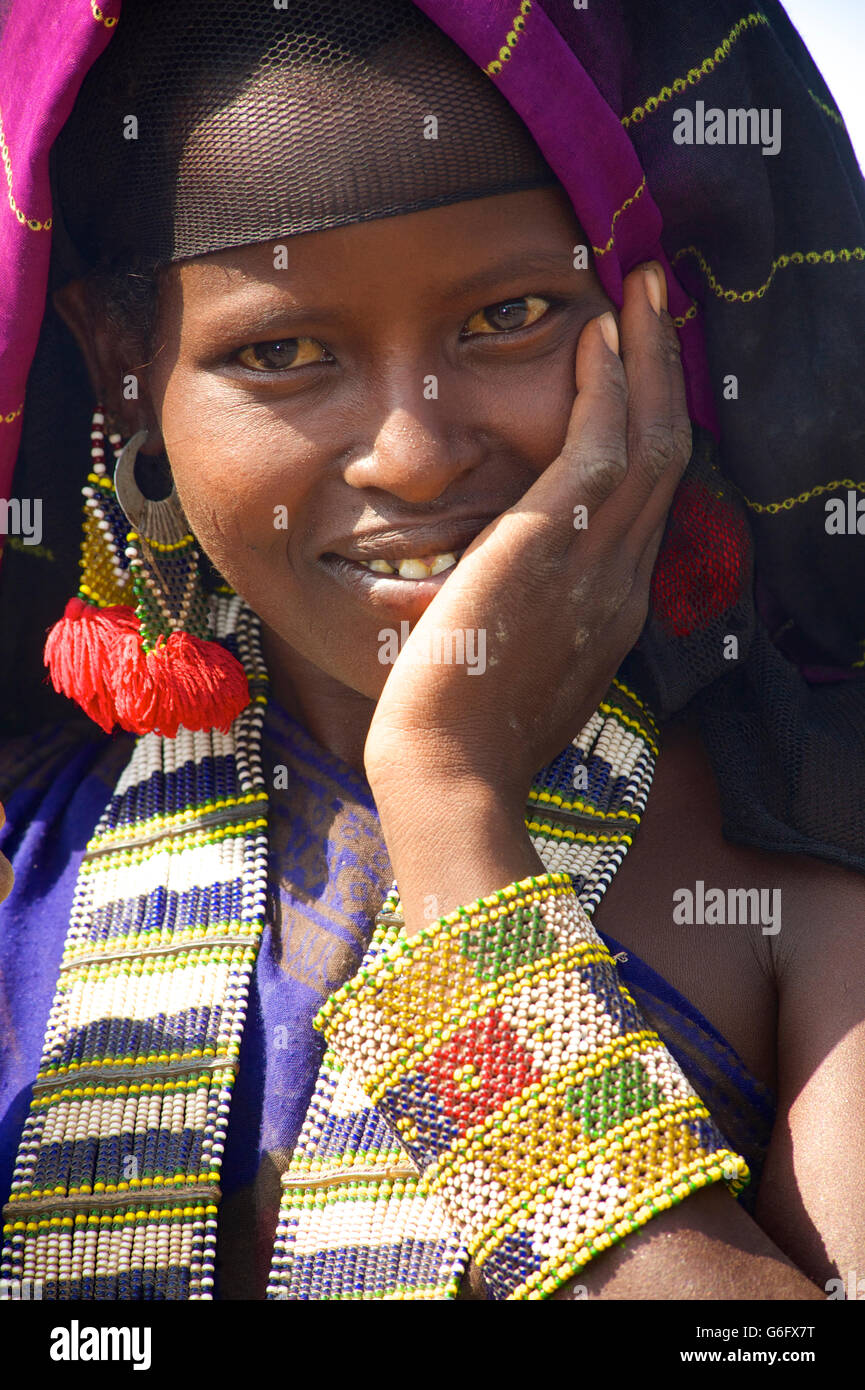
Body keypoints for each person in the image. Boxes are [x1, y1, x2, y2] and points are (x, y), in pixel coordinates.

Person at [0, 0, 863, 1302]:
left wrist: (449, 802)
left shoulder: (807, 878)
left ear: (650, 331)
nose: (410, 451)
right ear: (129, 376)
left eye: (507, 315)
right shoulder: (23, 855)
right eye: (280, 351)